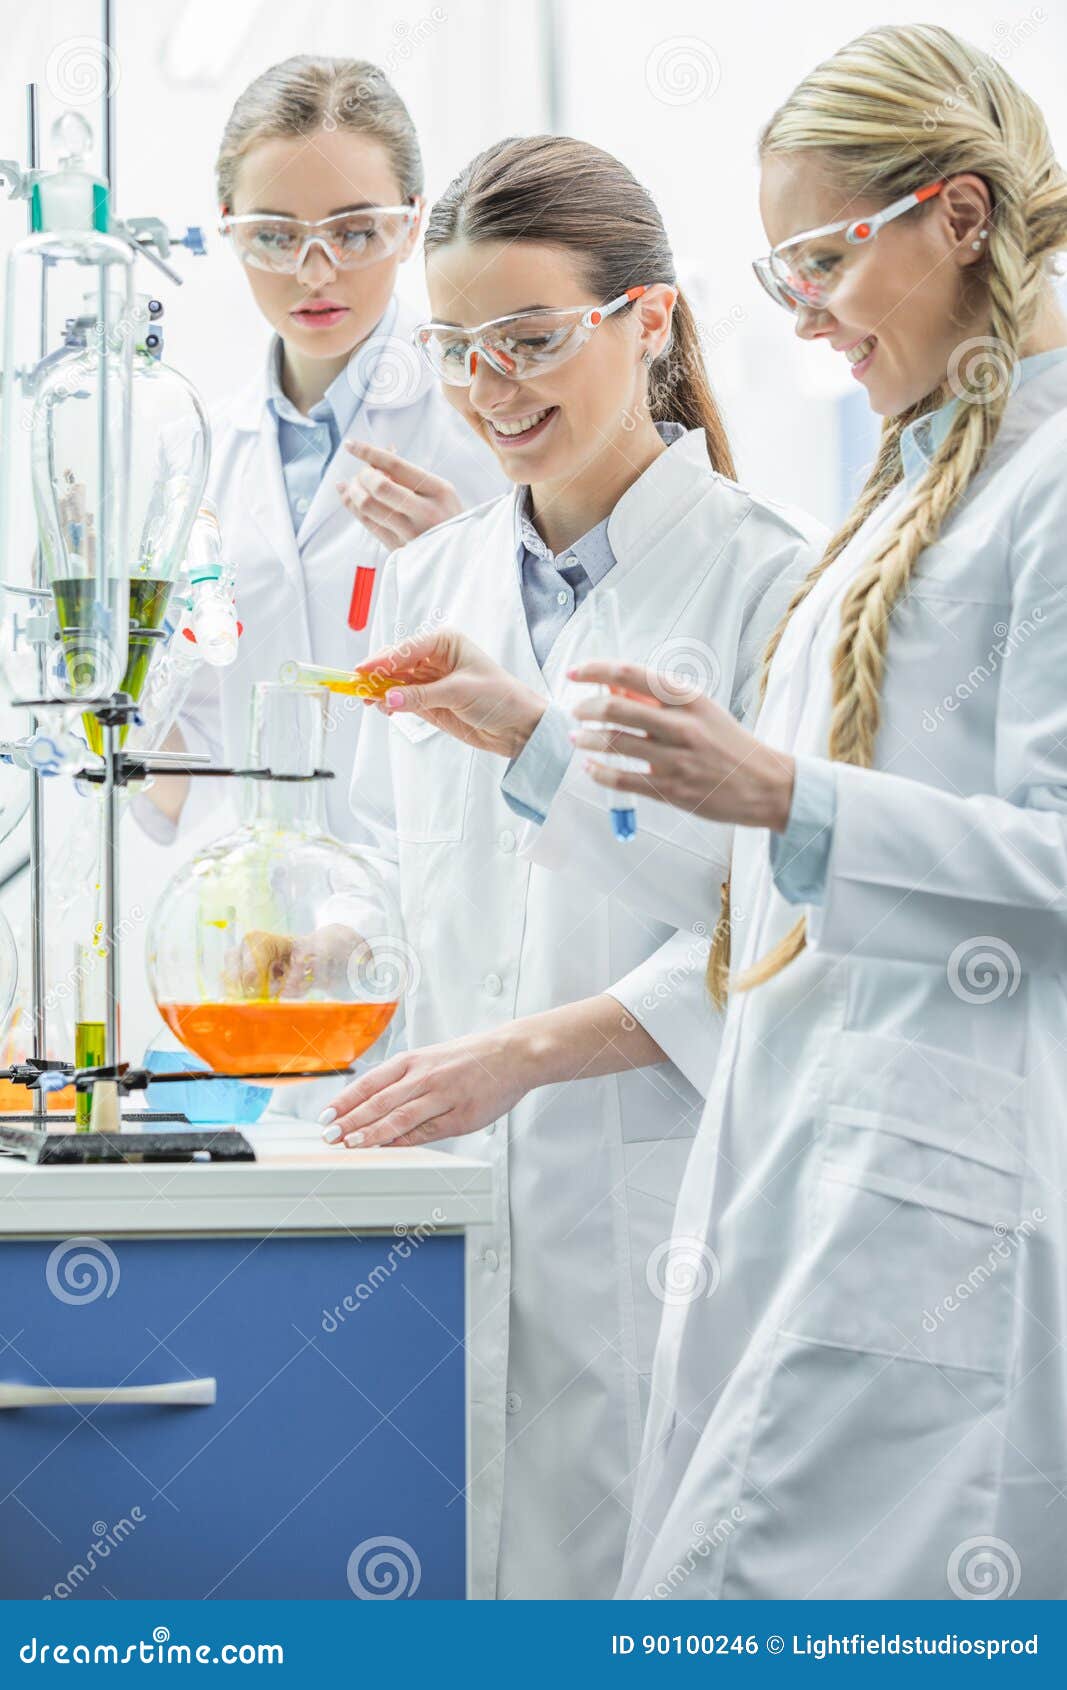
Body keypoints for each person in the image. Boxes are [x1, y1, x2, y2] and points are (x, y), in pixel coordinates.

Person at [332, 26, 1067, 1599]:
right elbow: (740, 881)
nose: (798, 311)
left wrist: (776, 798)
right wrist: (529, 751)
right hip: (739, 1181)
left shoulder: (870, 536)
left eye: (822, 259)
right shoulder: (899, 497)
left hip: (852, 1185)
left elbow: (789, 883)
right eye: (454, 348)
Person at [320, 133, 825, 1600]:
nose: (490, 388)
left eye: (530, 339)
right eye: (455, 348)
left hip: (662, 1212)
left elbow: (782, 929)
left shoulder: (774, 585)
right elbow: (384, 863)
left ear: (647, 318)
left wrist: (525, 1053)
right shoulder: (431, 578)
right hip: (441, 1207)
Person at [137, 55, 503, 845]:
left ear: (411, 224)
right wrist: (109, 696)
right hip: (260, 894)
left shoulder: (490, 420)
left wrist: (466, 575)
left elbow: (547, 701)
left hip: (434, 886)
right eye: (275, 236)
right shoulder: (196, 454)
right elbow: (195, 742)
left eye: (354, 232)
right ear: (228, 227)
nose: (314, 272)